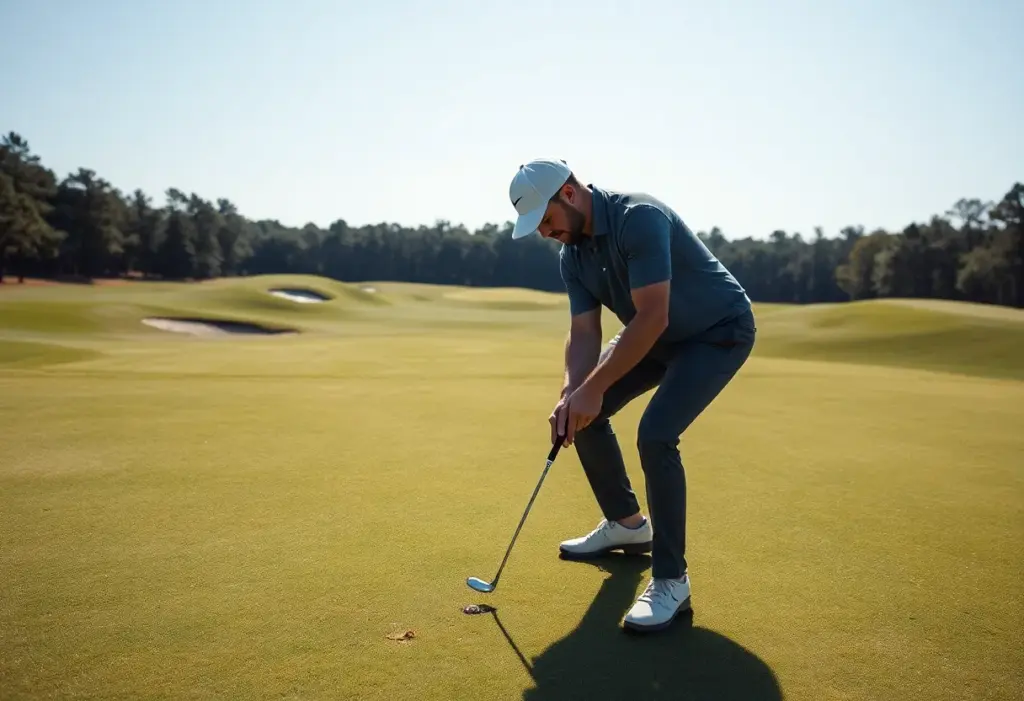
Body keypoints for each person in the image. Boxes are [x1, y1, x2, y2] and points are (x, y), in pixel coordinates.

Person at [507, 157, 757, 633]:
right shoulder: (572, 255)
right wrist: (572, 392)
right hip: (653, 337)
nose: (544, 232)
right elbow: (584, 332)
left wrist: (592, 388)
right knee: (583, 412)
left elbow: (652, 316)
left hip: (716, 332)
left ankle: (671, 582)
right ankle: (627, 525)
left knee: (656, 435)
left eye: (546, 219)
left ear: (569, 194)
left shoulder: (638, 217)